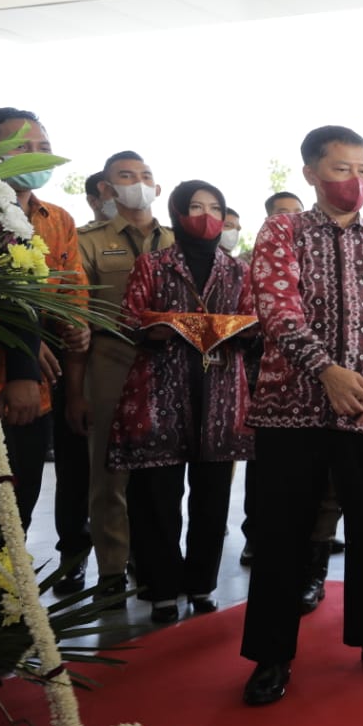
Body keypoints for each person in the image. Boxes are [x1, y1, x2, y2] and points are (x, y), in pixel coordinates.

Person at [238, 125, 363, 706]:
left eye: (362, 169)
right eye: (341, 169)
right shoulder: (283, 230)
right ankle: (271, 655)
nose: (354, 181)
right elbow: (276, 306)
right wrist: (326, 371)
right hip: (291, 410)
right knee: (282, 534)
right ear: (311, 175)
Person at [108, 182, 254, 624]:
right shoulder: (152, 264)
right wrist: (159, 327)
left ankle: (202, 584)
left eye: (215, 208)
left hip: (222, 396)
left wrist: (240, 329)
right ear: (176, 212)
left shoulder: (238, 270)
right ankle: (161, 589)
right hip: (157, 394)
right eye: (195, 207)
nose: (206, 216)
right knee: (157, 500)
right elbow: (129, 317)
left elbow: (255, 322)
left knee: (212, 501)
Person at [0, 109, 88, 556]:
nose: (34, 158)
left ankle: (7, 610)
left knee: (19, 507)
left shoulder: (56, 219)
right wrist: (23, 360)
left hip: (37, 391)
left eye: (43, 149)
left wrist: (75, 329)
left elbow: (69, 292)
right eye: (19, 148)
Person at [73, 151, 171, 600]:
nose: (138, 182)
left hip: (170, 367)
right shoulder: (86, 240)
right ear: (107, 189)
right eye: (126, 176)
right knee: (109, 473)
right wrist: (77, 390)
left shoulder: (176, 239)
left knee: (164, 474)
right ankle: (111, 569)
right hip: (111, 360)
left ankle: (154, 562)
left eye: (145, 175)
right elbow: (74, 318)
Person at [238, 190, 306, 568]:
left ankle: (310, 538)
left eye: (297, 213)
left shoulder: (314, 254)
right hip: (259, 373)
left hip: (310, 377)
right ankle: (256, 535)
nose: (290, 220)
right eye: (282, 214)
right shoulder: (250, 262)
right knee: (263, 466)